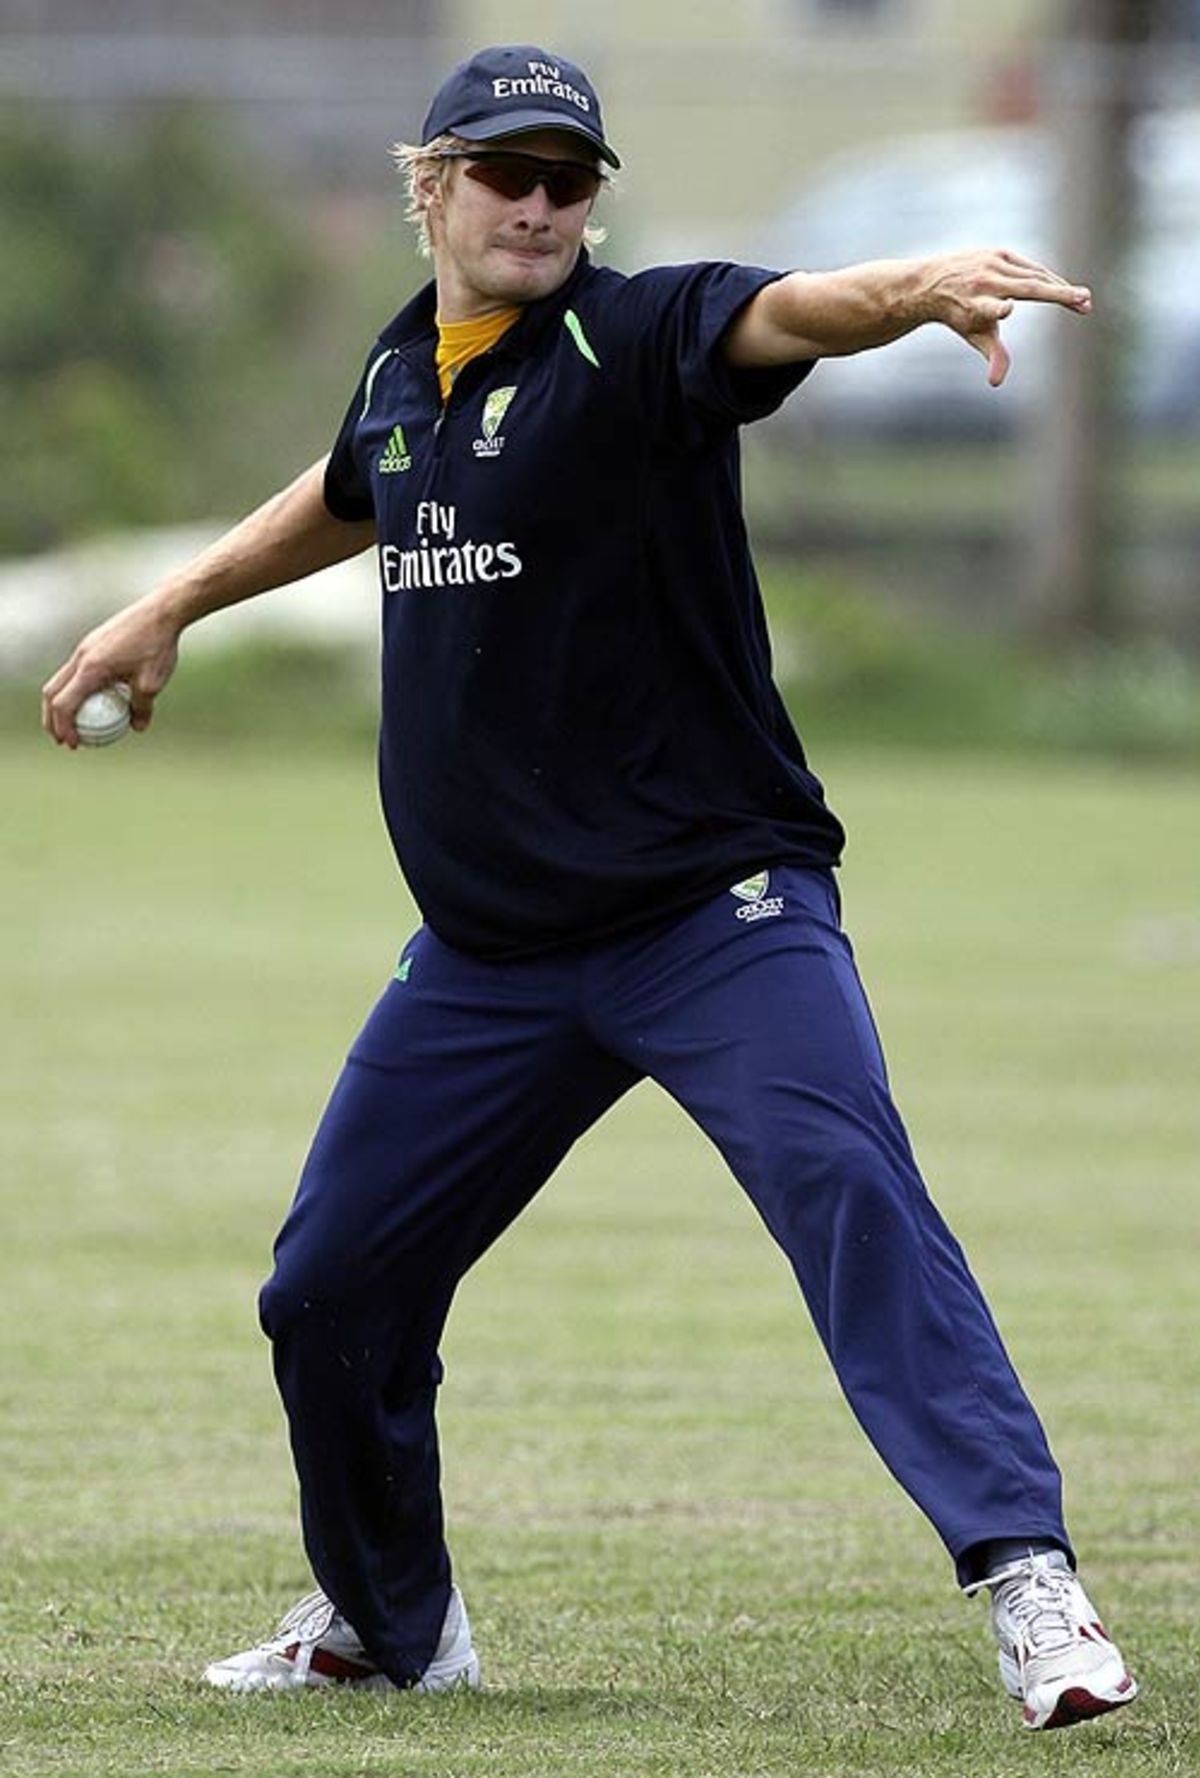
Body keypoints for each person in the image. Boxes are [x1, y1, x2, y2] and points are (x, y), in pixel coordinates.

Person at [43, 43, 1136, 1732]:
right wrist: (174, 601)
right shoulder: (407, 371)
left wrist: (911, 286)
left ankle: (1028, 1577)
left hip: (715, 914)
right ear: (434, 187)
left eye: (569, 177)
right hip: (489, 955)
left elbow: (782, 312)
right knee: (327, 1285)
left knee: (846, 1189)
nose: (541, 201)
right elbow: (353, 490)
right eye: (505, 171)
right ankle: (393, 1624)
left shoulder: (633, 341)